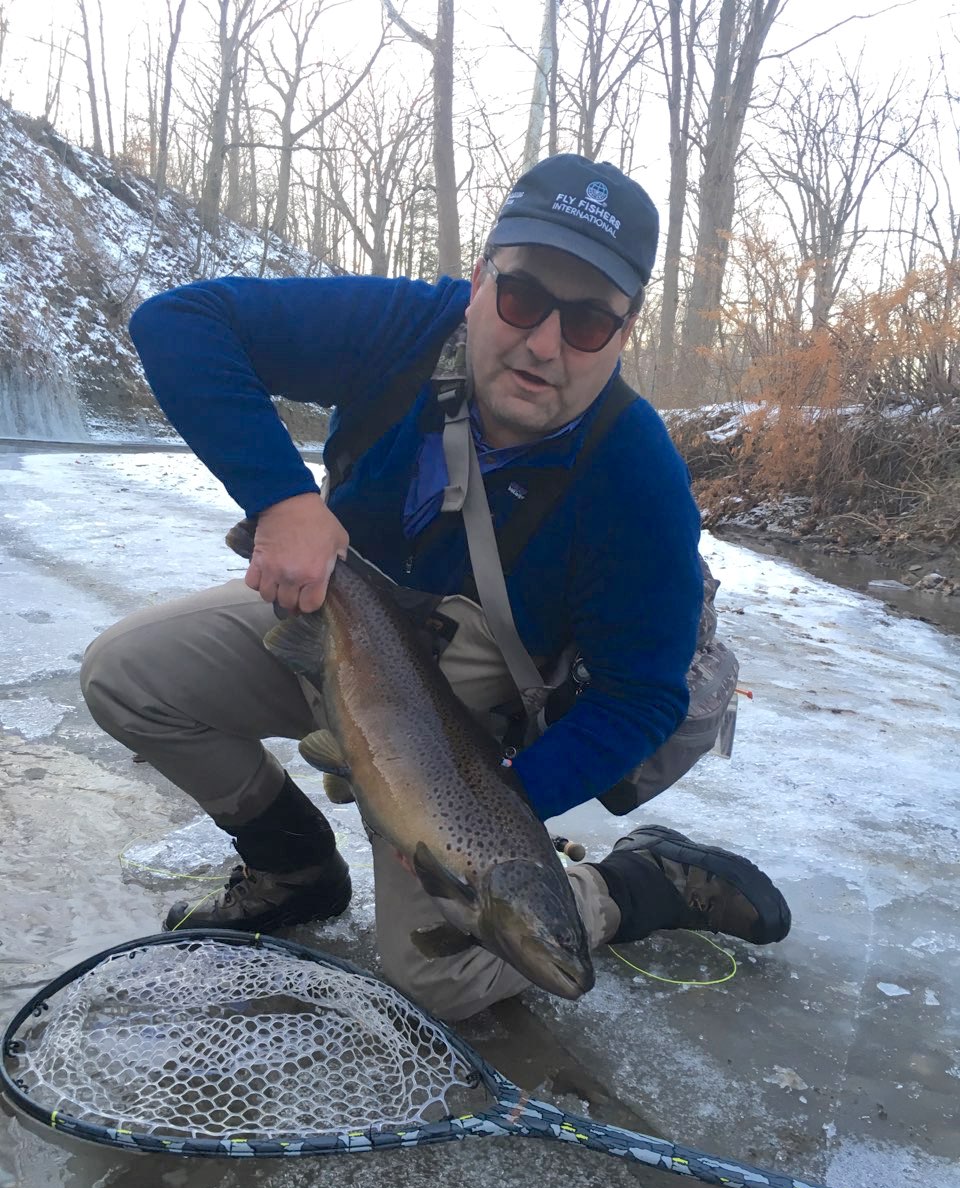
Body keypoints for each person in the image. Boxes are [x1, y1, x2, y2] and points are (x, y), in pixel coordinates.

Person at [81, 154, 790, 1021]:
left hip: (473, 730)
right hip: (340, 631)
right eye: (522, 297)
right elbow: (179, 324)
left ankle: (632, 885)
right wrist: (283, 500)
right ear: (480, 281)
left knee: (441, 977)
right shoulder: (403, 329)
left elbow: (641, 697)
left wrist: (492, 811)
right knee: (126, 677)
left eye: (586, 322)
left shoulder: (638, 478)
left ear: (625, 332)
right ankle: (294, 866)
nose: (543, 344)